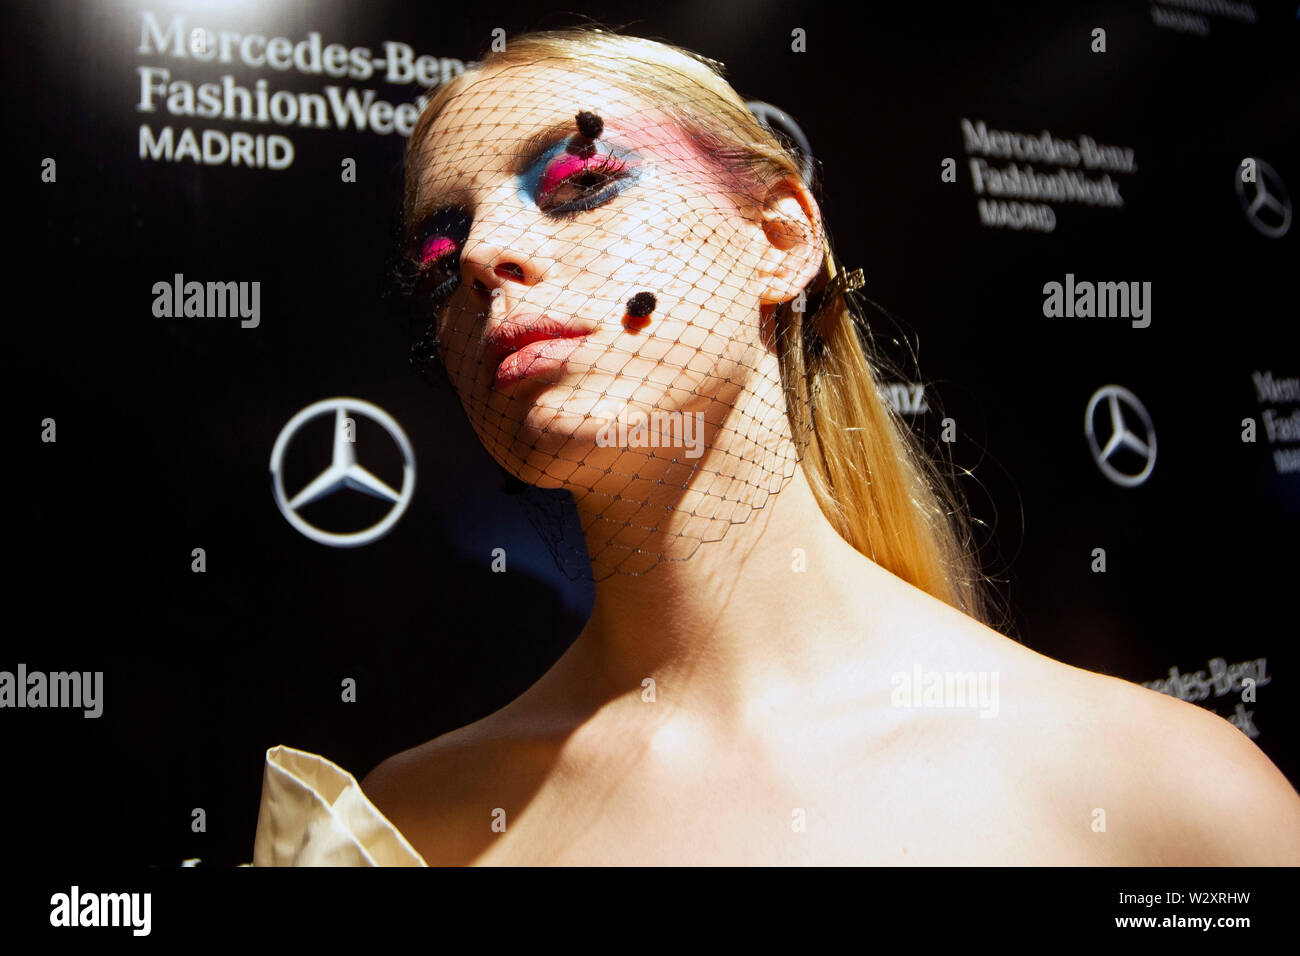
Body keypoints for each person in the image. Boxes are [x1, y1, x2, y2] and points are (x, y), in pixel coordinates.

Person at [252, 26, 1300, 866]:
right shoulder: (407, 824)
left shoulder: (1166, 795)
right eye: (441, 256)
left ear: (780, 236)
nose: (483, 253)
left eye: (579, 183)